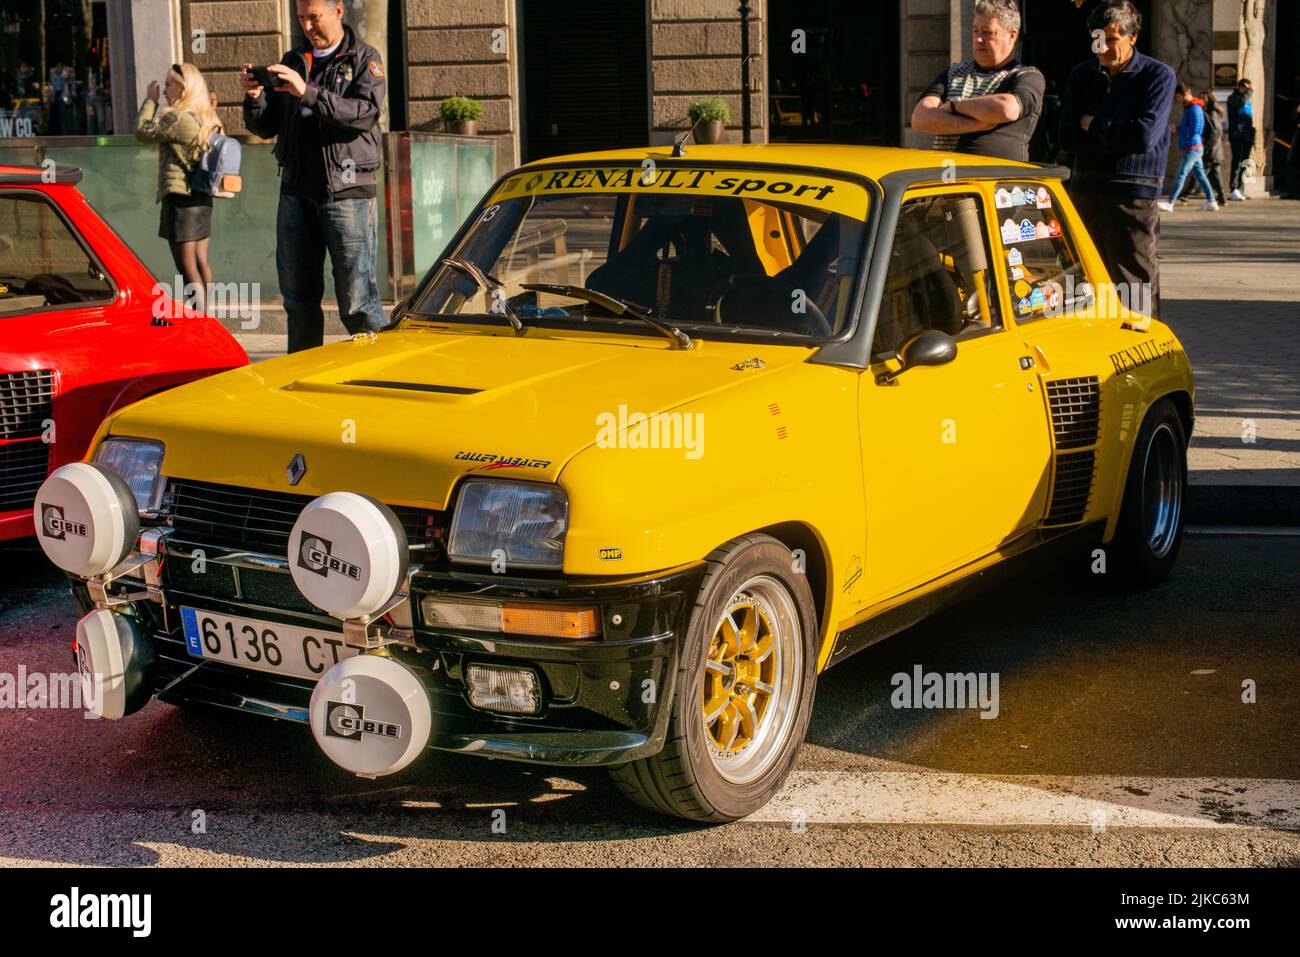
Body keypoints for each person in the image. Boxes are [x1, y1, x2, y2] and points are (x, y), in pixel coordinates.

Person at [242, 0, 387, 353]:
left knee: (357, 300)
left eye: (314, 17)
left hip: (347, 192)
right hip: (295, 191)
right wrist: (255, 98)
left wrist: (305, 91)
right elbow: (266, 127)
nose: (308, 26)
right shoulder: (293, 61)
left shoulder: (364, 59)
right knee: (297, 297)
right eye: (301, 18)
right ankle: (302, 372)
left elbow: (364, 113)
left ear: (338, 11)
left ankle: (374, 371)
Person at [1059, 0, 1174, 318]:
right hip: (1085, 188)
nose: (1103, 47)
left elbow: (1143, 137)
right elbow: (1067, 135)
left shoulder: (1157, 76)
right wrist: (1115, 132)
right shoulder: (1082, 75)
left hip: (1133, 192)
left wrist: (1093, 124)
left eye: (1111, 39)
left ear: (1132, 37)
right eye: (1097, 38)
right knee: (1081, 279)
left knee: (1133, 281)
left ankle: (1140, 347)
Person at [135, 63, 222, 314]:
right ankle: (207, 316)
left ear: (182, 88)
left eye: (168, 85)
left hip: (181, 196)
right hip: (203, 196)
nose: (163, 91)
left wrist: (149, 103)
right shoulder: (207, 116)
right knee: (201, 261)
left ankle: (200, 320)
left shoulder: (178, 117)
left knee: (187, 265)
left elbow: (142, 132)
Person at [911, 0, 1044, 163]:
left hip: (998, 181)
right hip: (949, 176)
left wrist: (954, 106)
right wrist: (977, 123)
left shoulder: (1027, 76)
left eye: (987, 32)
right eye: (975, 31)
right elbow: (920, 118)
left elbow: (1006, 108)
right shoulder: (953, 73)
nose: (979, 39)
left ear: (1012, 35)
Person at [1158, 84, 1218, 212]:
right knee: (1200, 175)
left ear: (1185, 94)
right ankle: (1211, 201)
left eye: (1178, 97)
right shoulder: (1191, 107)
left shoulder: (1194, 108)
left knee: (1181, 174)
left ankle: (1170, 202)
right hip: (1193, 146)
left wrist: (1178, 128)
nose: (1177, 100)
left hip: (1192, 147)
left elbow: (1196, 129)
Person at [1226, 78, 1254, 200]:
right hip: (1237, 134)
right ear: (1240, 87)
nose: (1248, 91)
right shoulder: (1234, 98)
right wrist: (1249, 92)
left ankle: (1239, 188)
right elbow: (1241, 103)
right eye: (1246, 88)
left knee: (1244, 162)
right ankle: (1233, 189)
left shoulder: (1246, 99)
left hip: (1246, 134)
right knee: (1236, 162)